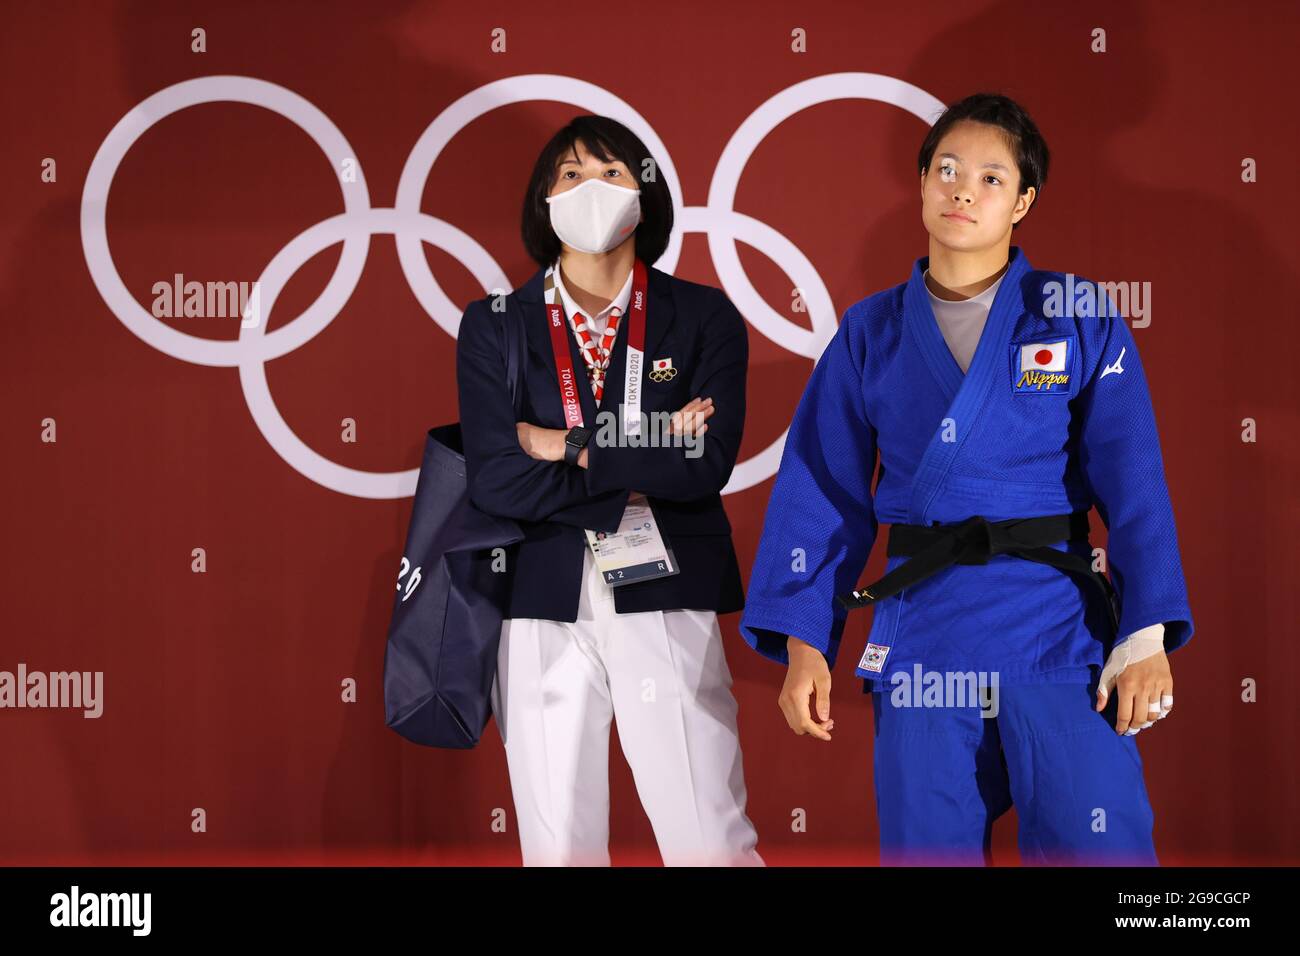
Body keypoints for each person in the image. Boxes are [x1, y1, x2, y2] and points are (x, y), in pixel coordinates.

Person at [739, 92, 1194, 866]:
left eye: (990, 177)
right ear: (920, 185)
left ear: (1023, 202)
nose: (962, 189)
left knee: (1103, 848)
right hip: (924, 631)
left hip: (1057, 627)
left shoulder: (1076, 313)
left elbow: (1136, 484)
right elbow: (821, 490)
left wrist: (1144, 630)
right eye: (946, 169)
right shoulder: (871, 331)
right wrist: (806, 639)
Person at [455, 115, 763, 867]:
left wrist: (559, 444)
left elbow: (706, 460)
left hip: (664, 585)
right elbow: (495, 475)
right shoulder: (495, 324)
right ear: (543, 201)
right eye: (569, 175)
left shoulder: (704, 314)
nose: (589, 188)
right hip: (540, 596)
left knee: (709, 840)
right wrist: (647, 442)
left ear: (646, 196)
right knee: (557, 848)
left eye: (612, 172)